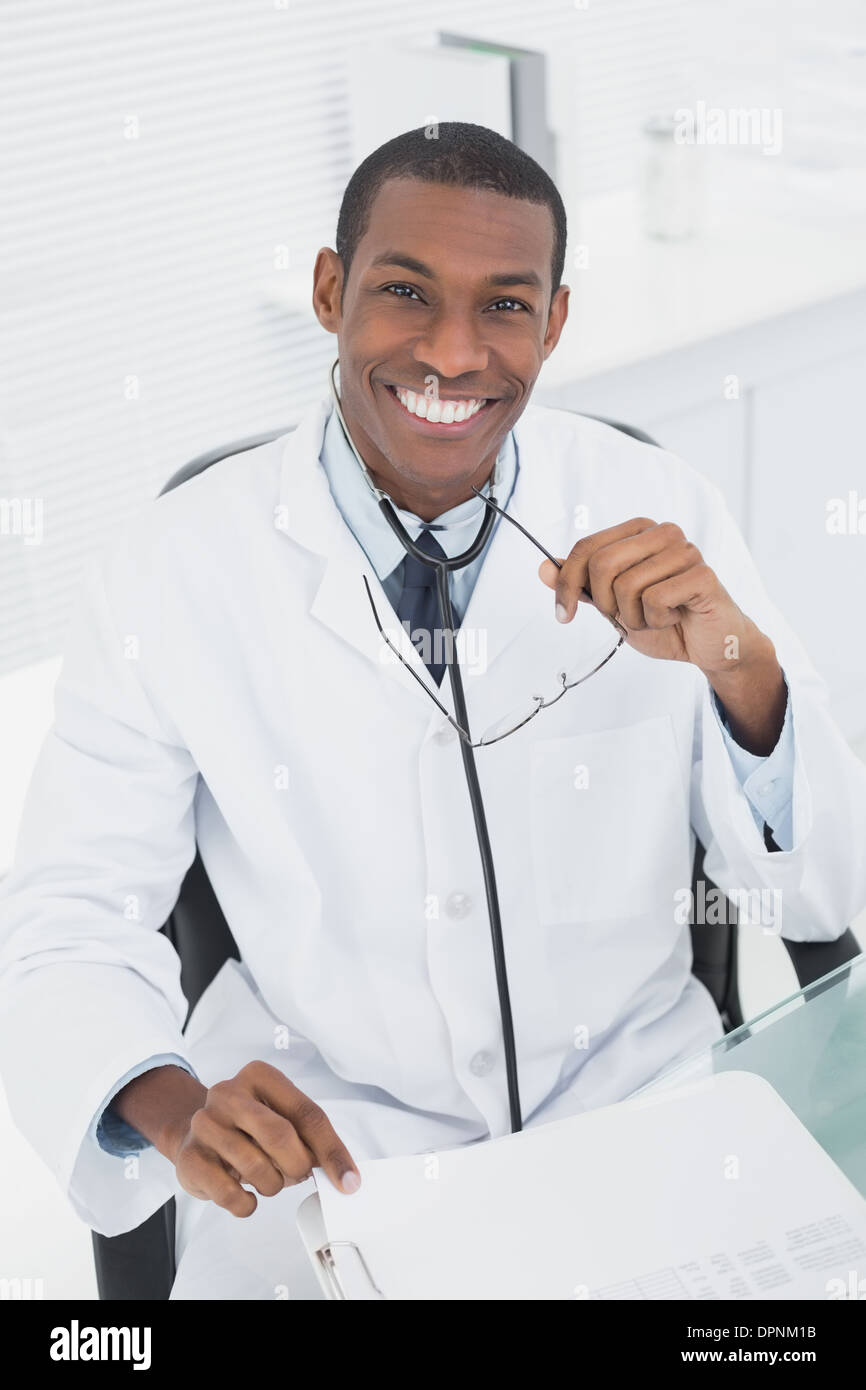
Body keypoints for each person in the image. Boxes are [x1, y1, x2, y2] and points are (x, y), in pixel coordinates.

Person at [1, 123, 865, 1301]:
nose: (452, 354)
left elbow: (822, 895)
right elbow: (67, 920)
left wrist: (734, 665)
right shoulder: (172, 569)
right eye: (405, 291)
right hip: (334, 1156)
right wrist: (170, 1103)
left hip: (644, 1124)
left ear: (554, 324)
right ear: (328, 290)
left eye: (504, 307)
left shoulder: (663, 508)